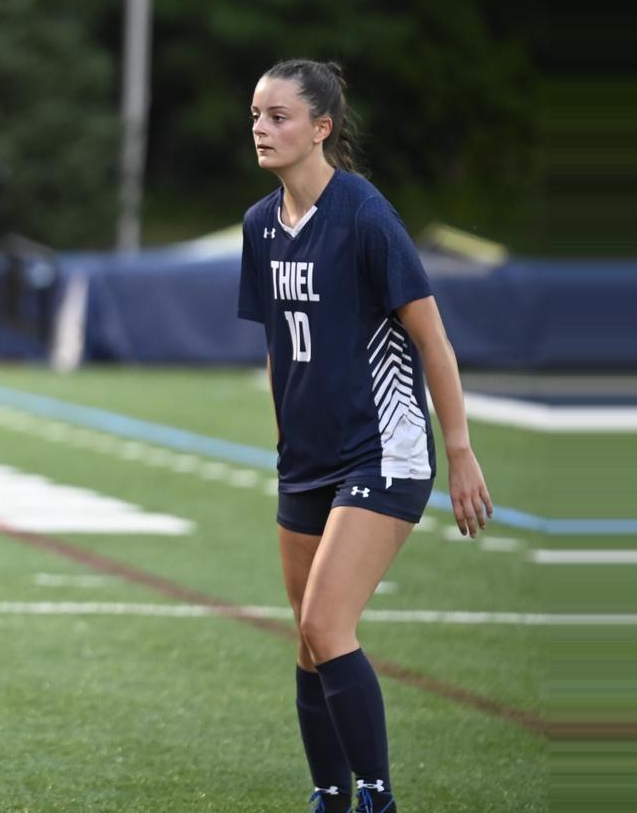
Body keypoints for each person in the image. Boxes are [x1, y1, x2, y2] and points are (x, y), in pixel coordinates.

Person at [238, 59, 495, 813]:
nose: (260, 127)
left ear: (323, 128)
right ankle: (331, 795)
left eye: (279, 116)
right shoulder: (261, 225)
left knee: (327, 622)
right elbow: (278, 344)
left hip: (382, 450)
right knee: (307, 638)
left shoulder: (364, 215)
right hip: (306, 460)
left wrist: (460, 451)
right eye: (255, 114)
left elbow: (433, 341)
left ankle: (378, 798)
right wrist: (287, 441)